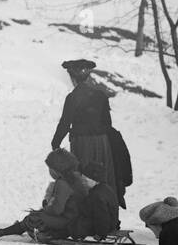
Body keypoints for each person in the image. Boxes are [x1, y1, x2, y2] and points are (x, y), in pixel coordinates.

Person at [0, 148, 114, 240]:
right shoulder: (76, 178)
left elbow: (57, 209)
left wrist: (44, 209)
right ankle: (7, 231)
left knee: (32, 218)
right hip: (75, 218)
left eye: (50, 168)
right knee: (35, 216)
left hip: (68, 220)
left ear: (57, 169)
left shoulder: (62, 183)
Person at [51, 58, 131, 208]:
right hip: (102, 142)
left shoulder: (72, 98)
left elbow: (64, 123)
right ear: (87, 76)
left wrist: (55, 143)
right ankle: (108, 212)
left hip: (82, 143)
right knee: (103, 177)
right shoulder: (100, 95)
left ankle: (86, 214)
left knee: (83, 177)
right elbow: (108, 123)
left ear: (72, 77)